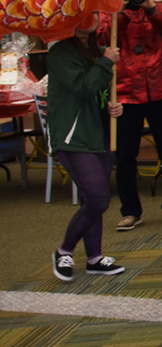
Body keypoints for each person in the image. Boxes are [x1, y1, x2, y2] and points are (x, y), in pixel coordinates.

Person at [101, 0, 162, 230]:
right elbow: (103, 37)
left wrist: (150, 7)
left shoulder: (161, 8)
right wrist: (121, 10)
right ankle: (130, 210)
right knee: (125, 155)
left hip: (161, 88)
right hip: (126, 92)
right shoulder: (112, 12)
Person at [47, 17, 126, 282]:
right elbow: (82, 87)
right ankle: (64, 250)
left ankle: (94, 258)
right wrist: (106, 62)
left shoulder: (97, 49)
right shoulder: (61, 52)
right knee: (97, 198)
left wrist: (111, 107)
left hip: (98, 134)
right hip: (73, 136)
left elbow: (99, 93)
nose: (87, 18)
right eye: (79, 14)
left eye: (91, 12)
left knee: (93, 201)